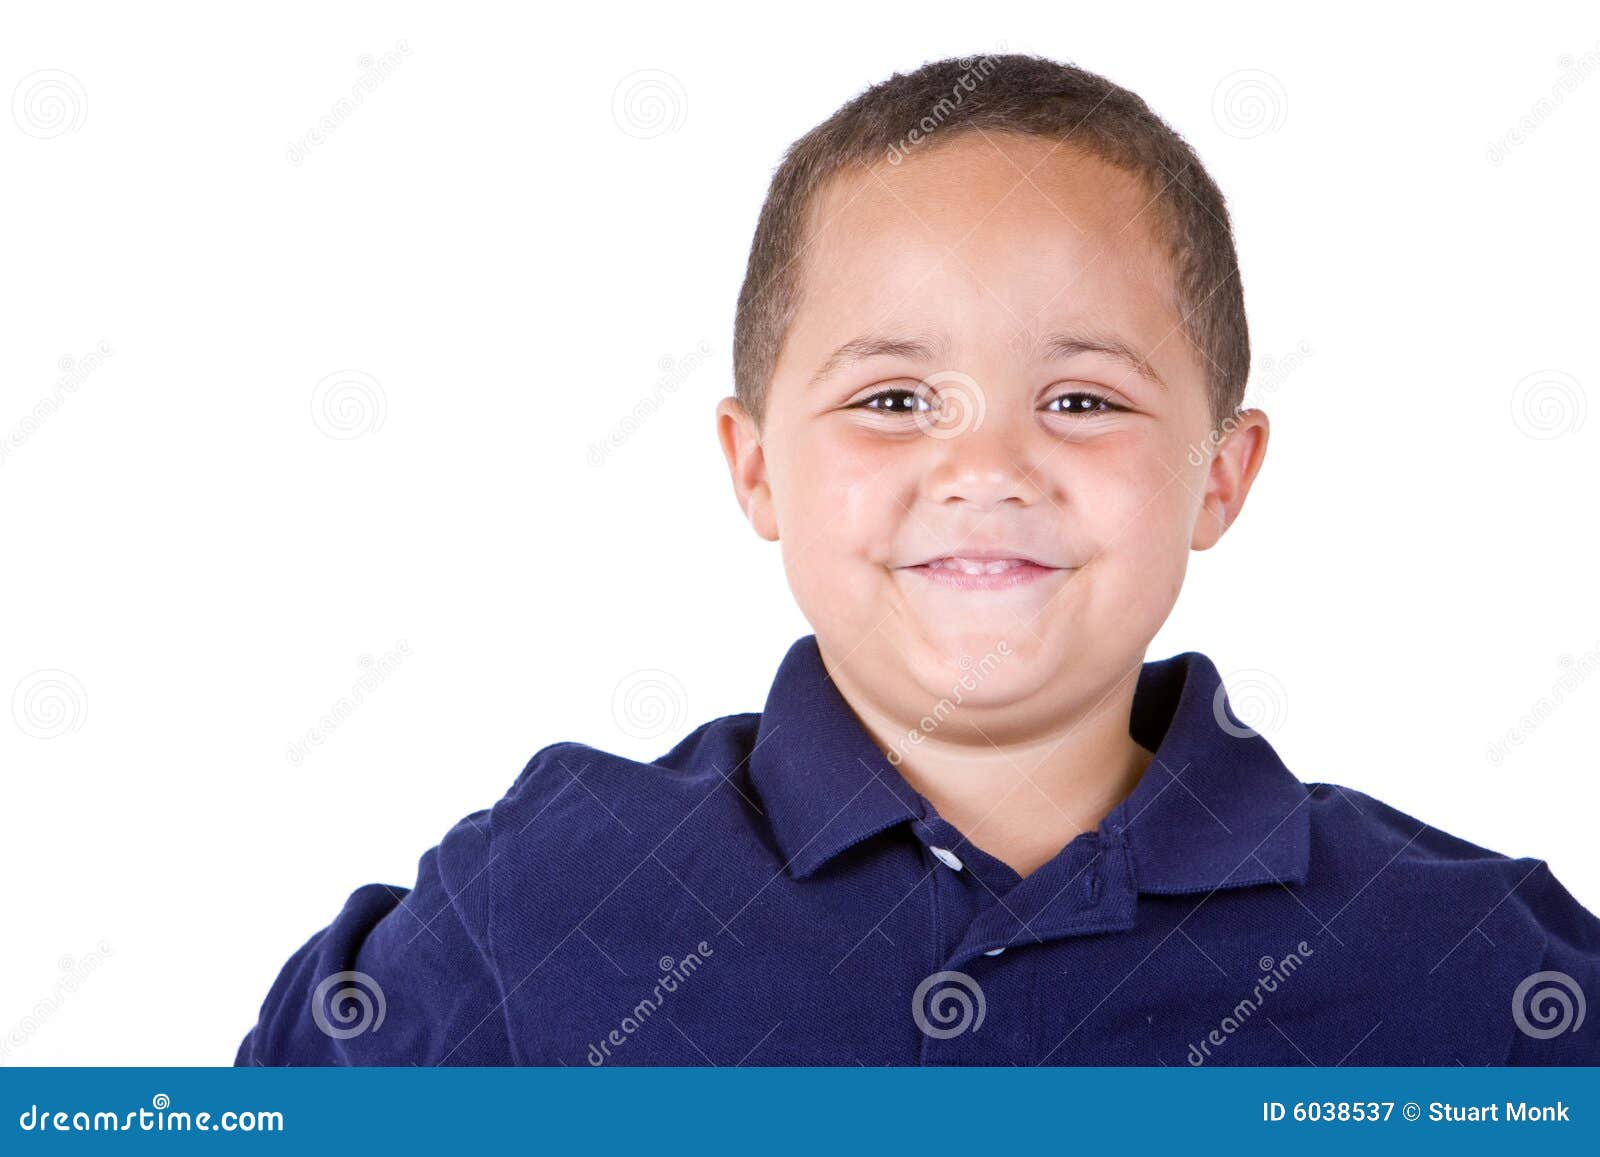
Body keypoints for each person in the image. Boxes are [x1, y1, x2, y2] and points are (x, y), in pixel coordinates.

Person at [236, 52, 1600, 1066]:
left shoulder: (1473, 963)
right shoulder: (544, 898)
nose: (987, 466)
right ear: (756, 465)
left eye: (1082, 400)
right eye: (893, 399)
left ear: (1221, 475)